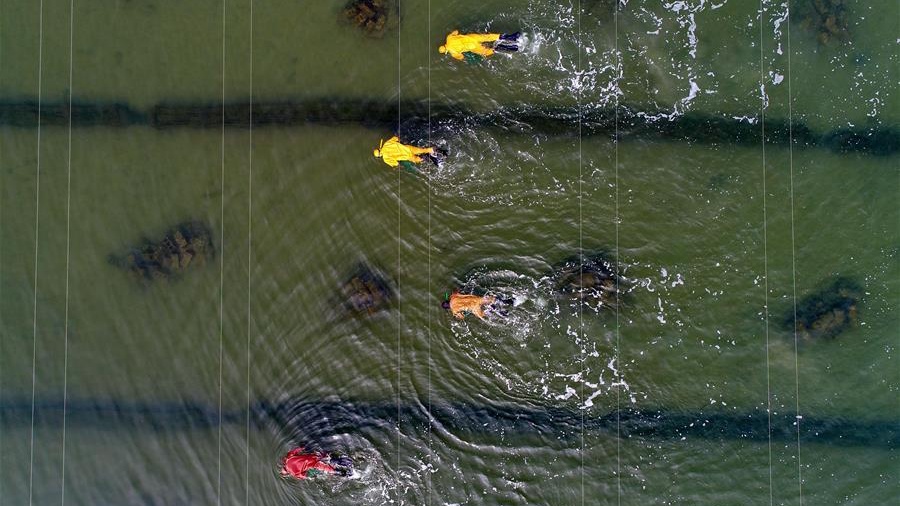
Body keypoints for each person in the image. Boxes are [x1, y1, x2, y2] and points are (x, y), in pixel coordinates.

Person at [439, 31, 521, 61]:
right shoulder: (449, 38)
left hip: (472, 46)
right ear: (444, 44)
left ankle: (511, 48)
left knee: (488, 51)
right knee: (490, 37)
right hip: (472, 37)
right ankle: (512, 37)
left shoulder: (453, 53)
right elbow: (456, 31)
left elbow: (461, 57)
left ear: (446, 51)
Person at [281, 447, 353, 479]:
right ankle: (346, 461)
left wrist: (313, 476)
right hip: (315, 455)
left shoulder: (294, 474)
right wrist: (303, 448)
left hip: (316, 464)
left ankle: (349, 475)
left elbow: (305, 476)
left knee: (331, 470)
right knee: (328, 457)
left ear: (288, 473)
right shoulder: (288, 458)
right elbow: (297, 450)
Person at [373, 136, 438, 170]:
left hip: (407, 156)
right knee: (424, 150)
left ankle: (424, 157)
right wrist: (402, 142)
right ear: (379, 149)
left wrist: (397, 168)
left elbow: (397, 164)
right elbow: (397, 138)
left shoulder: (386, 159)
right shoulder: (386, 144)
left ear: (379, 156)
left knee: (417, 159)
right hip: (408, 148)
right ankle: (433, 149)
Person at [442, 291, 508, 320]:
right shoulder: (453, 296)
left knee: (483, 314)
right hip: (477, 299)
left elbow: (462, 317)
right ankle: (510, 301)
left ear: (448, 308)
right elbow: (456, 290)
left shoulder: (454, 311)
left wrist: (458, 316)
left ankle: (498, 312)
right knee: (493, 299)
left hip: (474, 308)